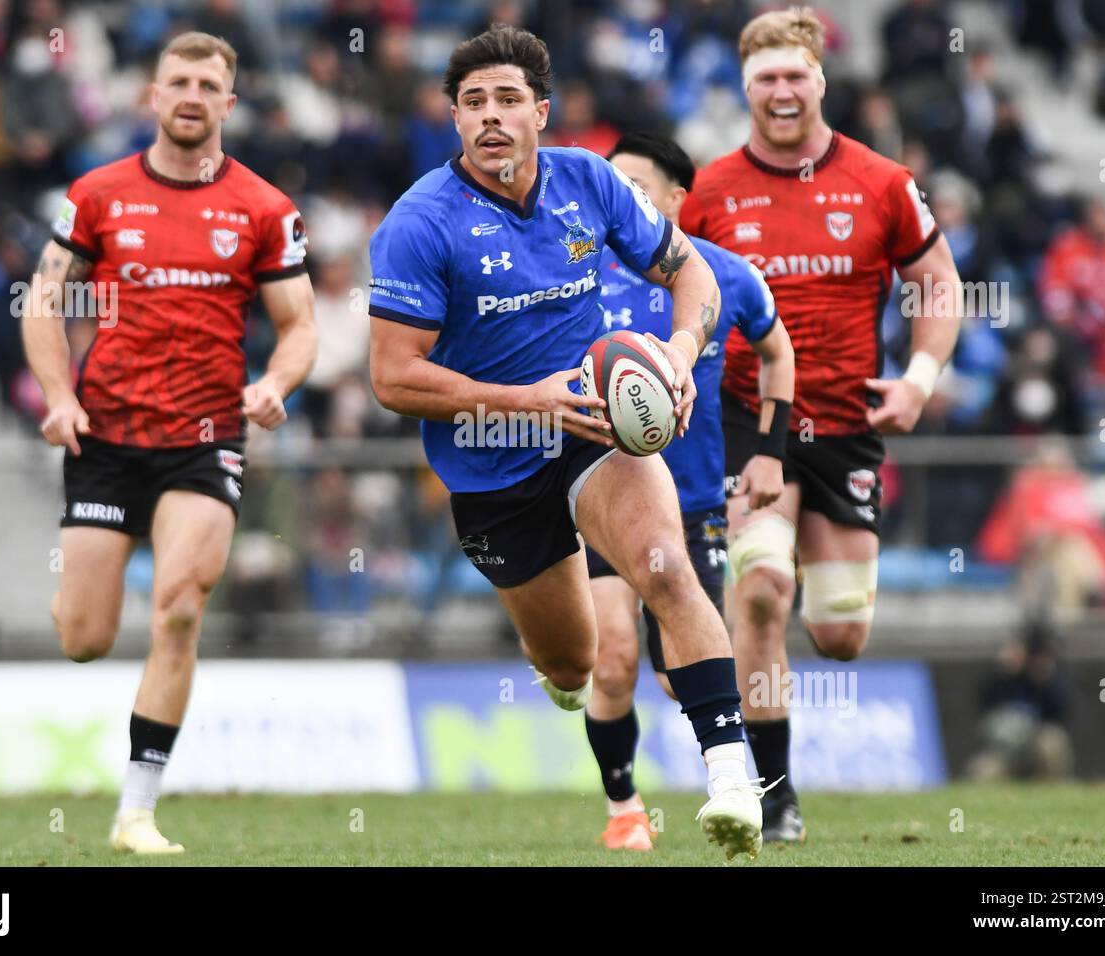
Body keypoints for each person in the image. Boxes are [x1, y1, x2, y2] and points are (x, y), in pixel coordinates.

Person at [368, 25, 778, 859]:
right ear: (453, 119)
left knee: (667, 569)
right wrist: (528, 400)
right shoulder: (419, 224)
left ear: (541, 113)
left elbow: (690, 272)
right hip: (491, 461)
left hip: (597, 431)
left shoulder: (589, 181)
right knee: (570, 661)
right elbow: (393, 378)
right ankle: (566, 678)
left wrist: (680, 351)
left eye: (508, 100)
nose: (490, 116)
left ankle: (734, 779)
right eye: (473, 102)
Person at [21, 32, 317, 854]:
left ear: (229, 102)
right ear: (151, 97)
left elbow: (299, 326)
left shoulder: (264, 207)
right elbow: (43, 301)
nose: (191, 94)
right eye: (177, 80)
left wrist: (274, 385)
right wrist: (56, 398)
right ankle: (82, 594)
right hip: (106, 435)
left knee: (181, 608)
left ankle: (137, 811)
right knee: (83, 638)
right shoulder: (98, 194)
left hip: (205, 435)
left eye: (208, 83)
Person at [680, 6, 961, 843]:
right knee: (762, 593)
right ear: (745, 89)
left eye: (794, 75)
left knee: (838, 635)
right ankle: (773, 795)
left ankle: (787, 570)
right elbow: (676, 291)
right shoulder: (710, 192)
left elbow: (938, 283)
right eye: (764, 78)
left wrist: (918, 378)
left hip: (846, 422)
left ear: (821, 80)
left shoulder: (880, 181)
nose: (781, 91)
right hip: (747, 419)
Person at [584, 132, 794, 851]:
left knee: (679, 679)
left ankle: (763, 786)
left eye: (635, 187)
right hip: (600, 493)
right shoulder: (579, 275)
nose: (617, 201)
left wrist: (770, 451)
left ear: (676, 199)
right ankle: (624, 810)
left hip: (695, 500)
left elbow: (778, 351)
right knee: (610, 659)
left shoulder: (726, 276)